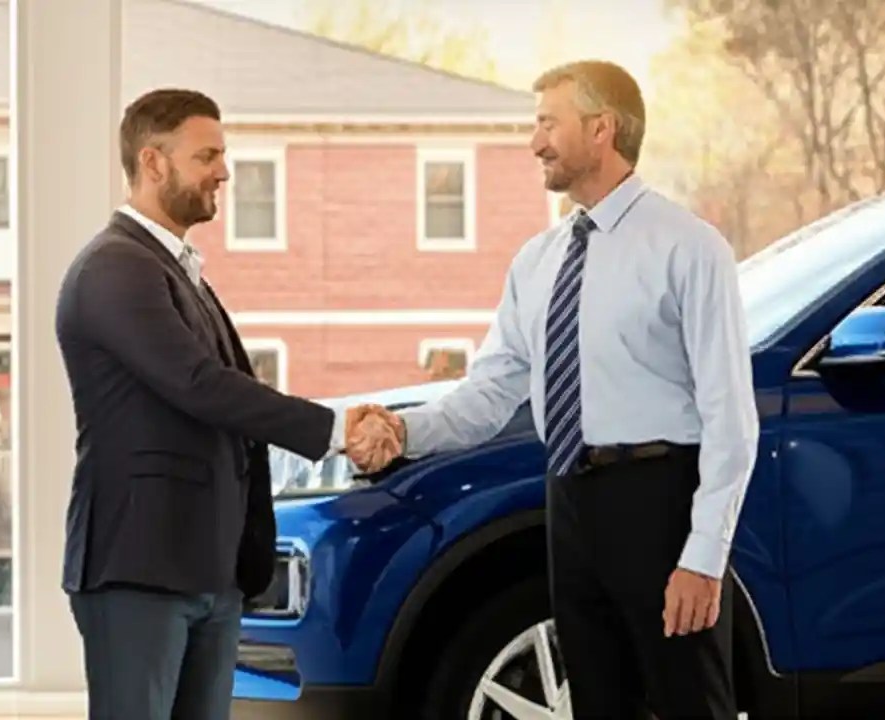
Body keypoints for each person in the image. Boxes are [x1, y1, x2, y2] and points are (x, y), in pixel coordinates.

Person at [346, 60, 759, 719]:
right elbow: (489, 393)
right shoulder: (537, 261)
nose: (534, 141)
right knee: (596, 703)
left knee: (691, 704)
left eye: (547, 123)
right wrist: (404, 431)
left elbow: (731, 420)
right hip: (568, 501)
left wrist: (703, 557)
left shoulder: (689, 249)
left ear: (602, 129)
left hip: (660, 503)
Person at [55, 87, 383, 720]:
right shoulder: (114, 267)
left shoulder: (176, 270)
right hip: (139, 567)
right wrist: (338, 427)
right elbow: (199, 384)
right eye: (207, 155)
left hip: (206, 569)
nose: (223, 171)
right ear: (153, 163)